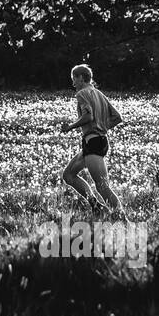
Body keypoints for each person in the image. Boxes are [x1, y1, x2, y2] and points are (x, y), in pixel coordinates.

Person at [60, 64, 124, 216]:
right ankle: (96, 207)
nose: (73, 83)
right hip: (94, 142)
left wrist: (70, 127)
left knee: (103, 187)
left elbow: (88, 116)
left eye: (74, 79)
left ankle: (122, 218)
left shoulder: (82, 93)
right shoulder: (99, 94)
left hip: (94, 143)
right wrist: (102, 127)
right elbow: (117, 117)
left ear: (81, 78)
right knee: (68, 175)